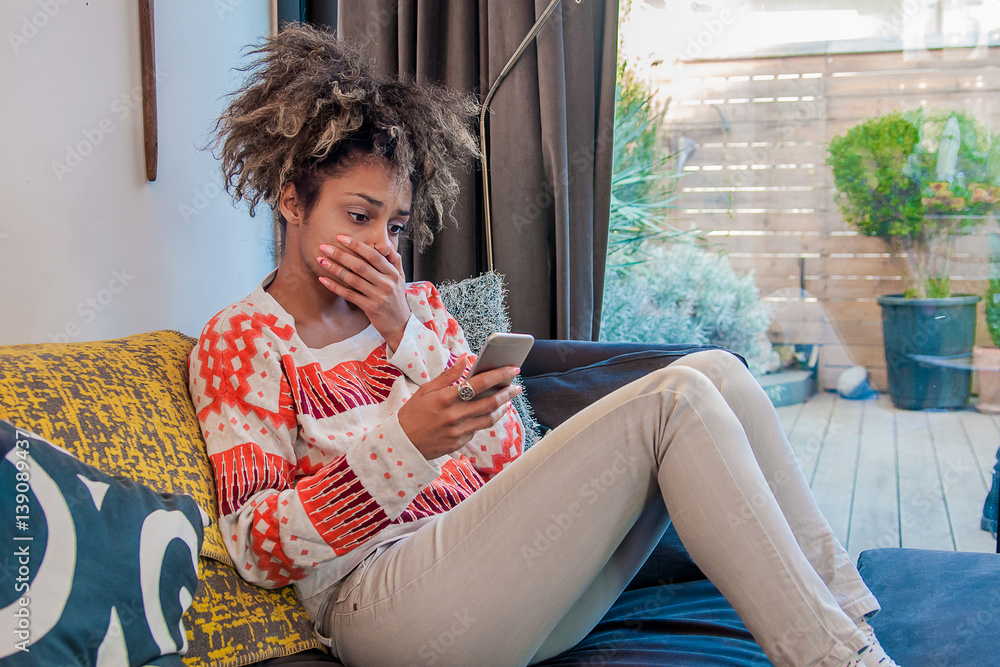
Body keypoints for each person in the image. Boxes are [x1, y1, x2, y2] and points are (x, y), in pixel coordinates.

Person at [189, 23, 901, 667]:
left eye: (397, 226)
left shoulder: (421, 317)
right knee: (677, 398)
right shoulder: (243, 340)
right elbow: (258, 546)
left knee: (714, 370)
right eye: (359, 216)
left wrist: (406, 335)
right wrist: (405, 442)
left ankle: (858, 628)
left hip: (511, 586)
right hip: (382, 606)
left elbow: (505, 464)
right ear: (291, 200)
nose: (384, 247)